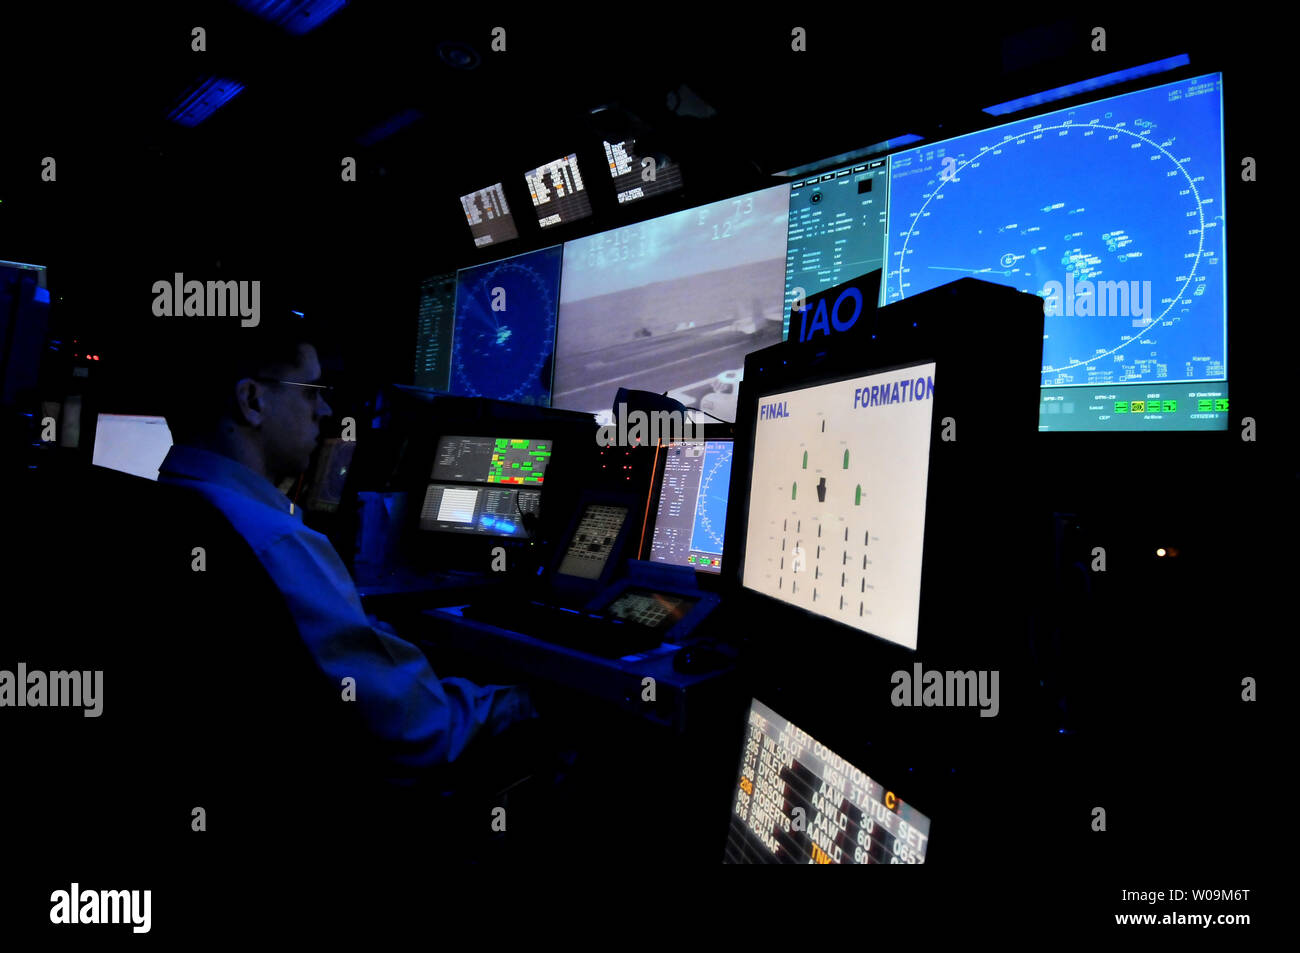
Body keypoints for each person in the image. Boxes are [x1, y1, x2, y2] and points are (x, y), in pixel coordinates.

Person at [154, 305, 539, 777]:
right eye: (312, 391)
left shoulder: (170, 504)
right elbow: (425, 732)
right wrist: (527, 698)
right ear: (252, 401)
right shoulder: (276, 542)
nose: (326, 409)